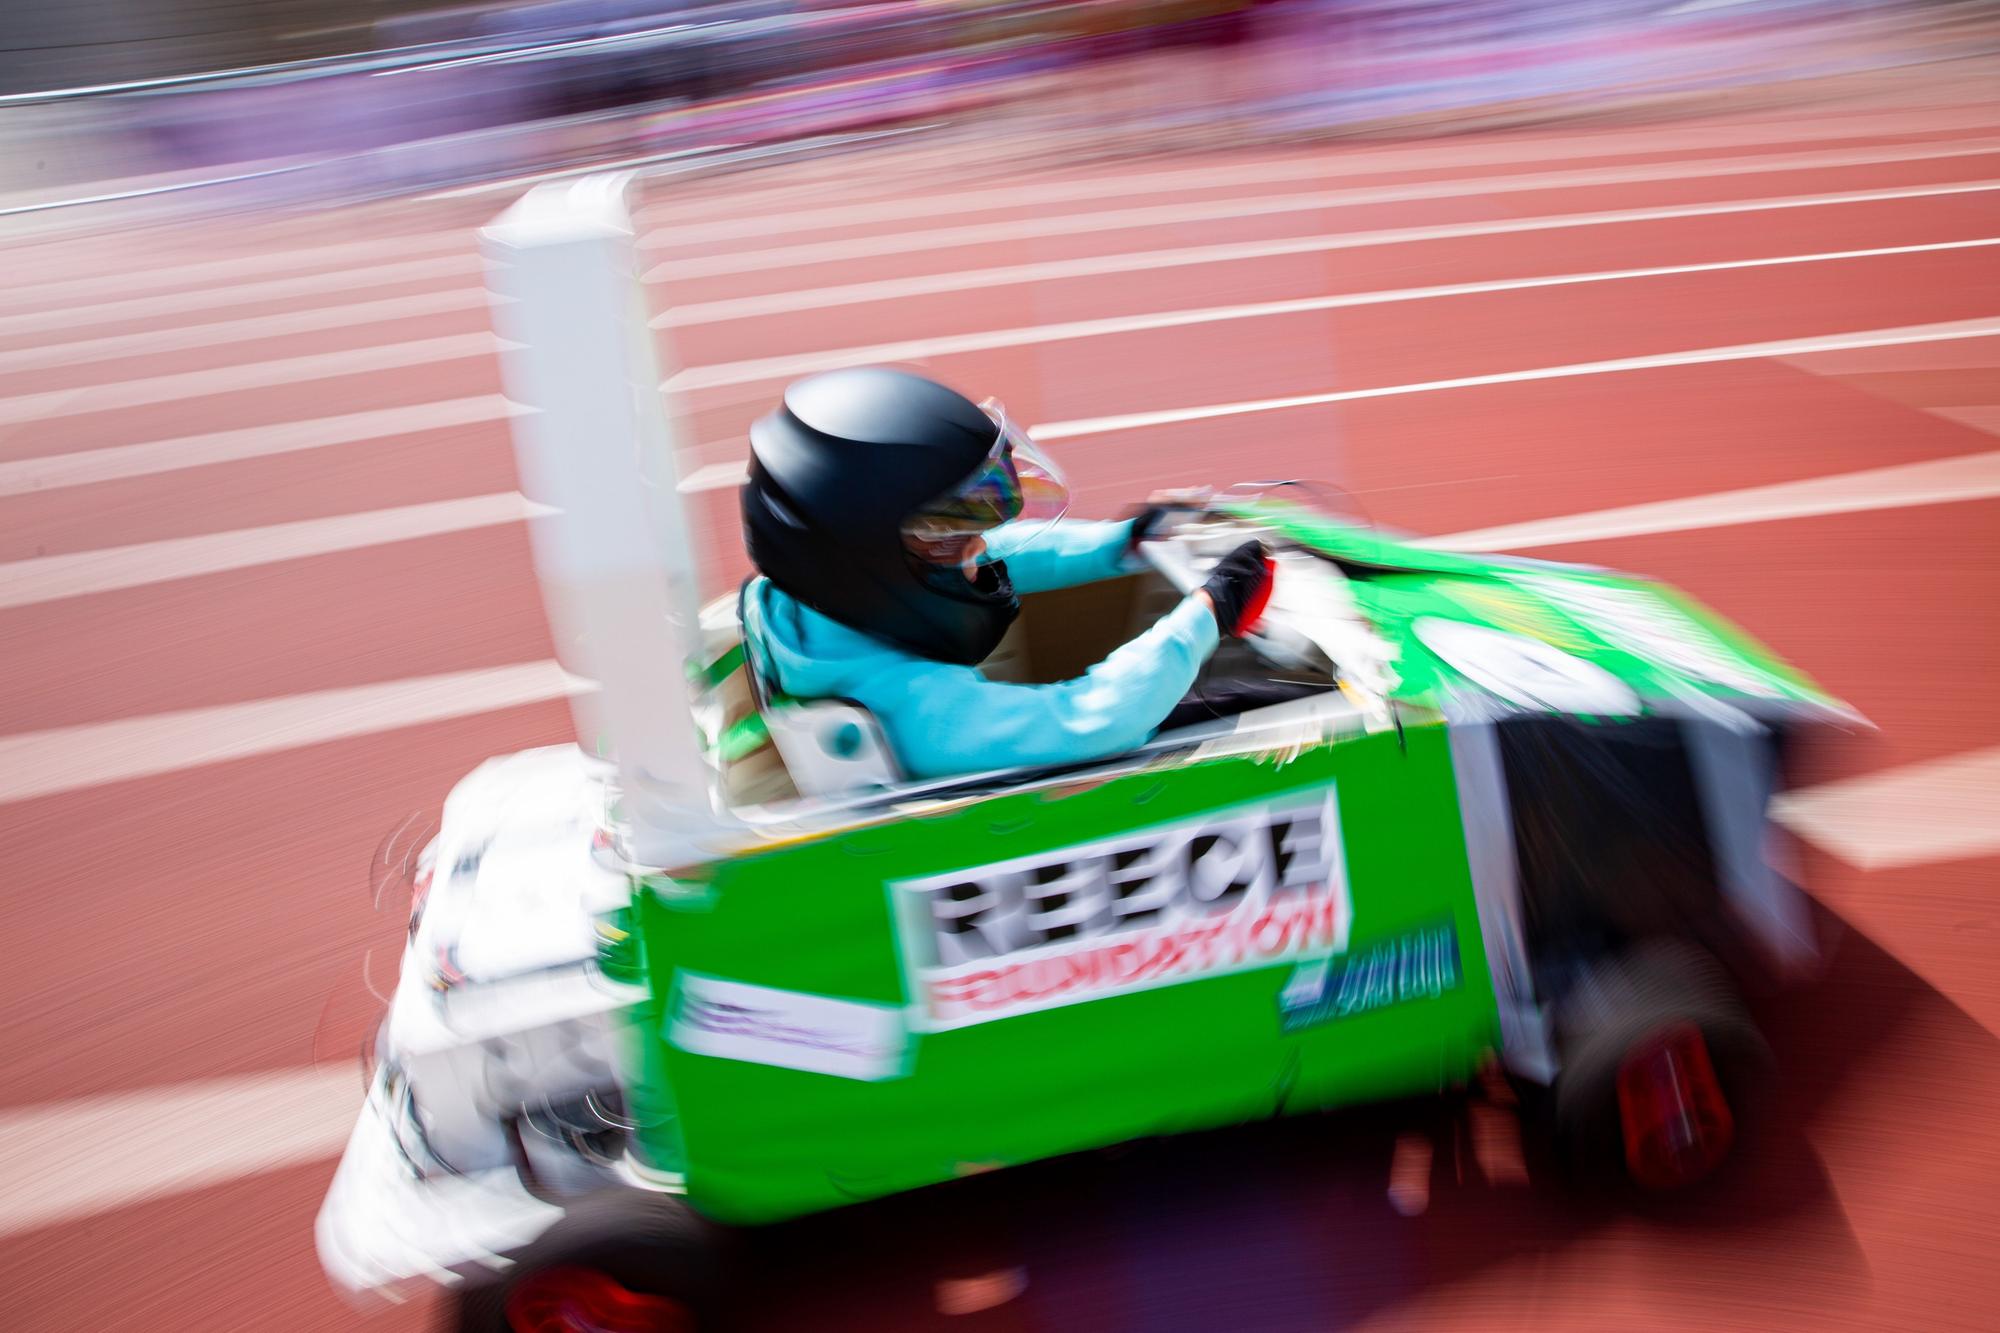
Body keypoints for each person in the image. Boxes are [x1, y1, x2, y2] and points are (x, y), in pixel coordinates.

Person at [738, 367, 1277, 782]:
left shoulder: (808, 612)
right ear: (870, 565)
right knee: (1257, 704)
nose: (980, 553)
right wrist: (1209, 612)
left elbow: (989, 556)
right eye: (956, 538)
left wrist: (1120, 542)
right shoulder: (915, 710)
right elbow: (1094, 719)